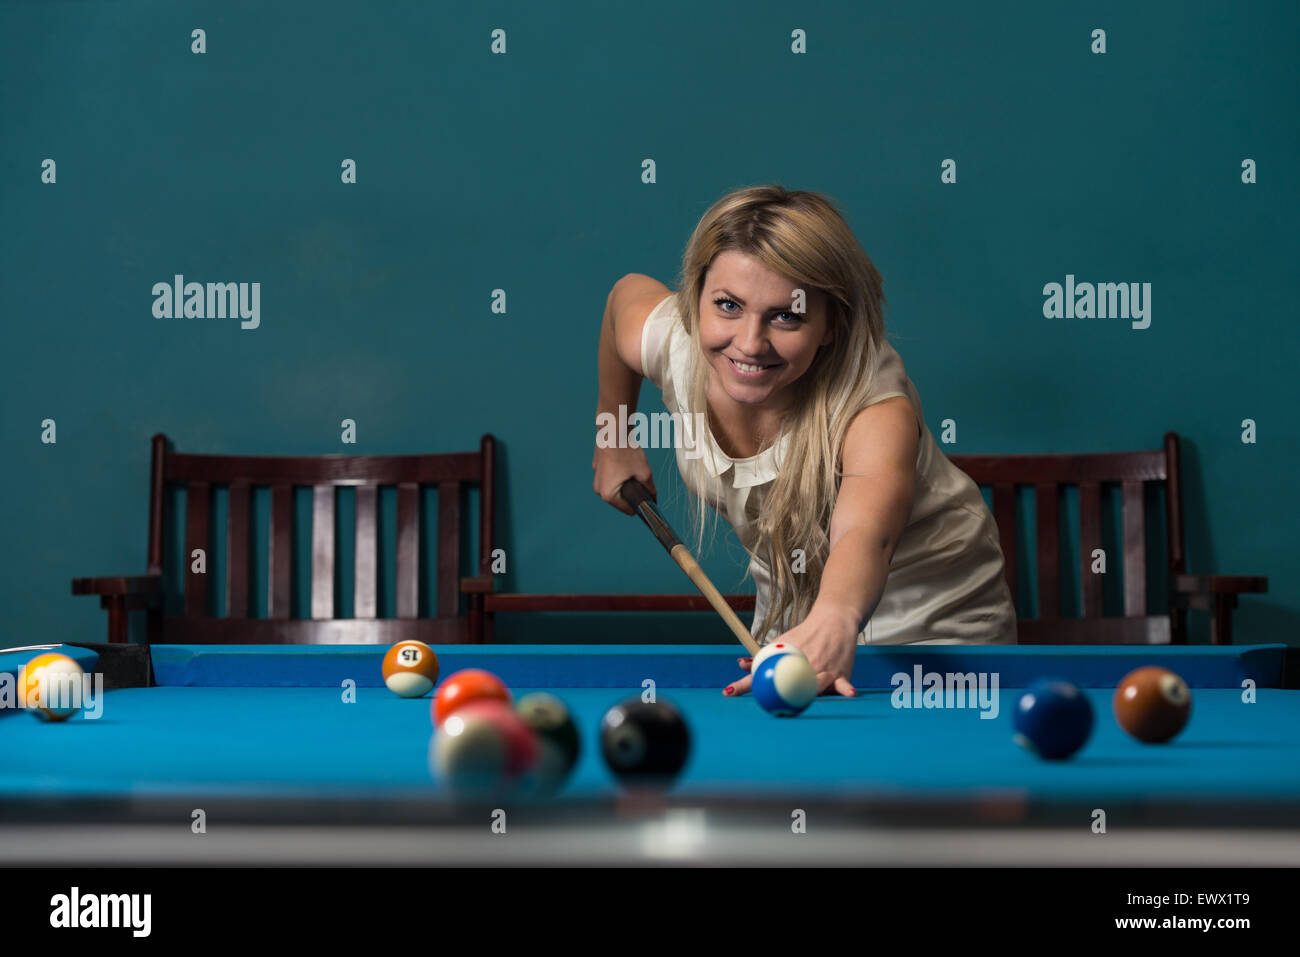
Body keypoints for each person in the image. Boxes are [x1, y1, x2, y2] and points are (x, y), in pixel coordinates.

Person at [593, 185, 1015, 698]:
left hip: (931, 632)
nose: (749, 343)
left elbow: (866, 533)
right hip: (794, 628)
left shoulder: (873, 404)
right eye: (727, 305)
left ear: (830, 324)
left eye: (786, 316)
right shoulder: (679, 346)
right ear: (695, 297)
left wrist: (837, 616)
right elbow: (623, 298)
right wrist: (614, 435)